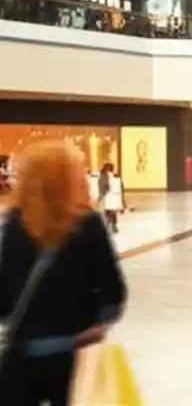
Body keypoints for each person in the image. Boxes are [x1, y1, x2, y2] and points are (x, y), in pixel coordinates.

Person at [0, 140, 128, 405]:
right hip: (76, 358)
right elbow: (114, 293)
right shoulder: (87, 224)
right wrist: (97, 325)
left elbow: (2, 300)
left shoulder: (14, 224)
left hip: (22, 358)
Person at [97, 163, 124, 234]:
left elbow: (120, 188)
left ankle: (112, 226)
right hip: (107, 197)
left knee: (112, 213)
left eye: (111, 169)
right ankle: (110, 226)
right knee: (109, 213)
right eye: (109, 170)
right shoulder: (103, 177)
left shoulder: (115, 178)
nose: (110, 172)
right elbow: (102, 188)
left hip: (113, 197)